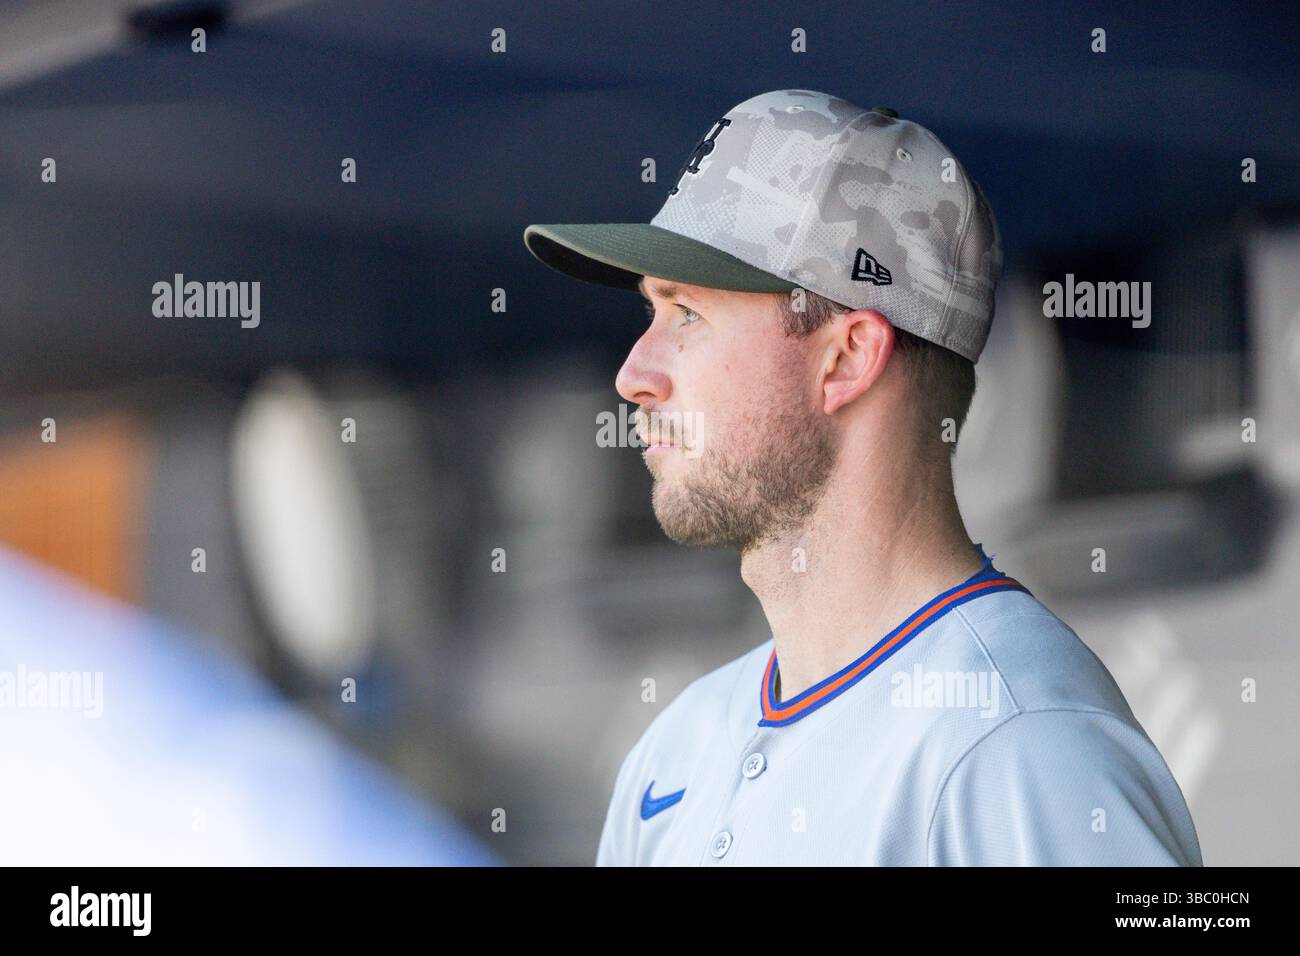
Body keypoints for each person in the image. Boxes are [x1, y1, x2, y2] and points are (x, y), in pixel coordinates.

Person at [524, 89, 1202, 866]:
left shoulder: (1023, 744)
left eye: (687, 315)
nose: (633, 374)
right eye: (650, 314)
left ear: (846, 358)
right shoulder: (677, 749)